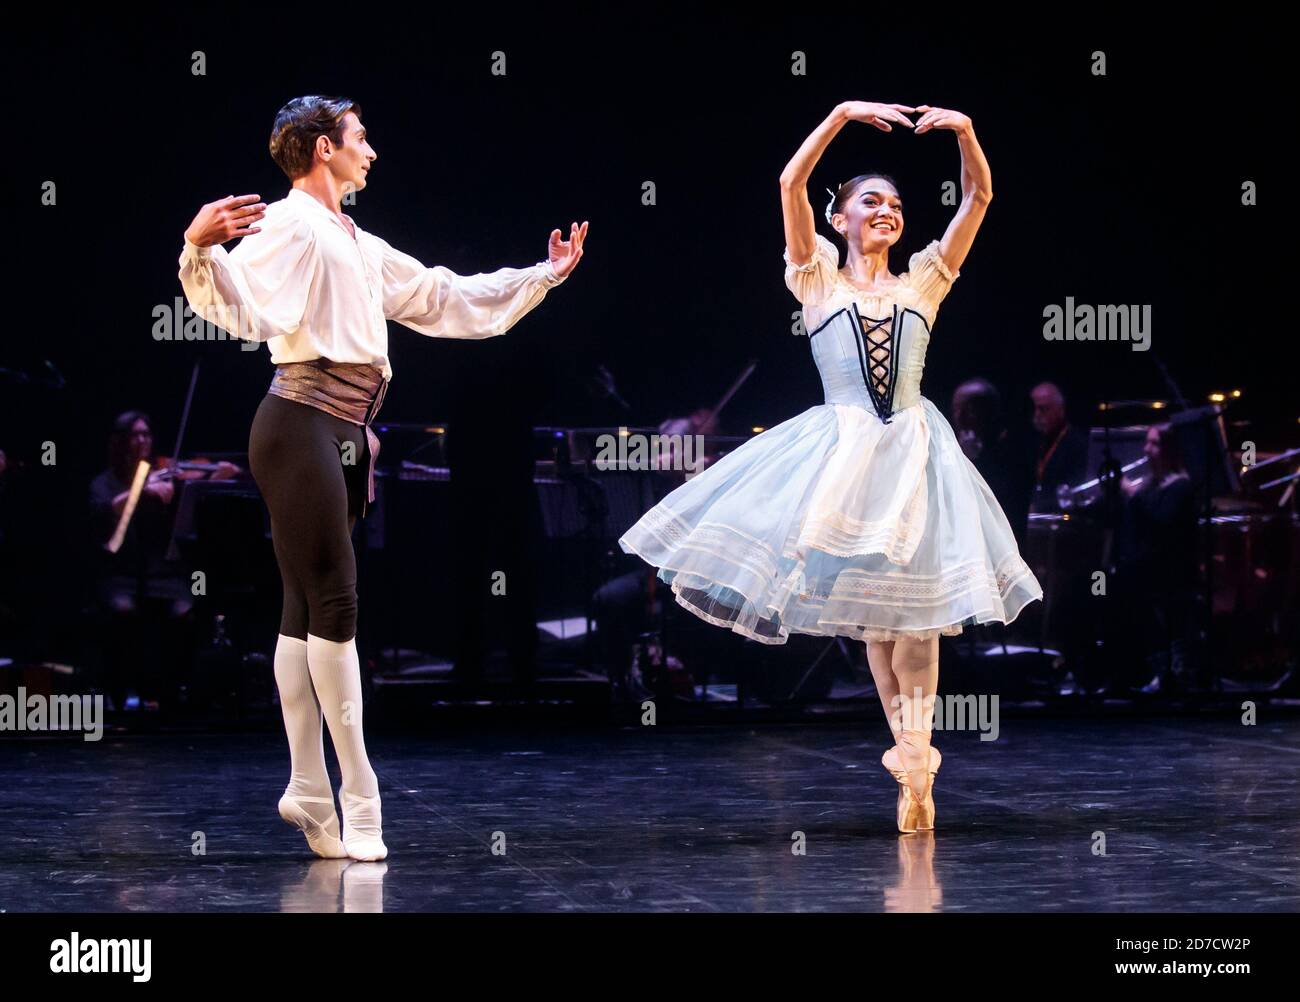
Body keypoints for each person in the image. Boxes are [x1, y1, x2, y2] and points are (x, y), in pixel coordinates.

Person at [178, 95, 587, 861]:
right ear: (325, 147)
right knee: (334, 600)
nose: (371, 151)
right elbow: (247, 307)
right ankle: (358, 794)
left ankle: (307, 785)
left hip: (340, 430)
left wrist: (543, 276)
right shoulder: (292, 222)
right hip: (299, 421)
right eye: (361, 139)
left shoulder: (352, 237)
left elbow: (442, 295)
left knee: (304, 608)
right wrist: (198, 251)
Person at [619, 100, 1042, 833]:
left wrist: (968, 131)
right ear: (840, 218)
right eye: (869, 202)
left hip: (914, 453)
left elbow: (979, 196)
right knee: (878, 628)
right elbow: (790, 184)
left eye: (896, 204)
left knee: (918, 623)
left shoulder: (923, 283)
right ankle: (911, 755)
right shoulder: (817, 280)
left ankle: (916, 760)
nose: (886, 211)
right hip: (843, 456)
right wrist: (842, 114)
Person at [1117, 423, 1199, 692]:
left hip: (1170, 569)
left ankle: (1167, 673)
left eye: (1155, 444)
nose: (1147, 450)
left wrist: (1132, 495)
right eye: (1147, 443)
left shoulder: (1181, 486)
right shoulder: (1151, 485)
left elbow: (1162, 522)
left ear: (1170, 450)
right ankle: (1142, 670)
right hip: (1146, 565)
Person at [1029, 382, 1089, 511]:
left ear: (1060, 409)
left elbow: (1075, 491)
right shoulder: (1033, 441)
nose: (1037, 414)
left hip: (1063, 518)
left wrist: (1039, 506)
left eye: (1043, 409)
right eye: (1034, 409)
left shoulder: (1076, 443)